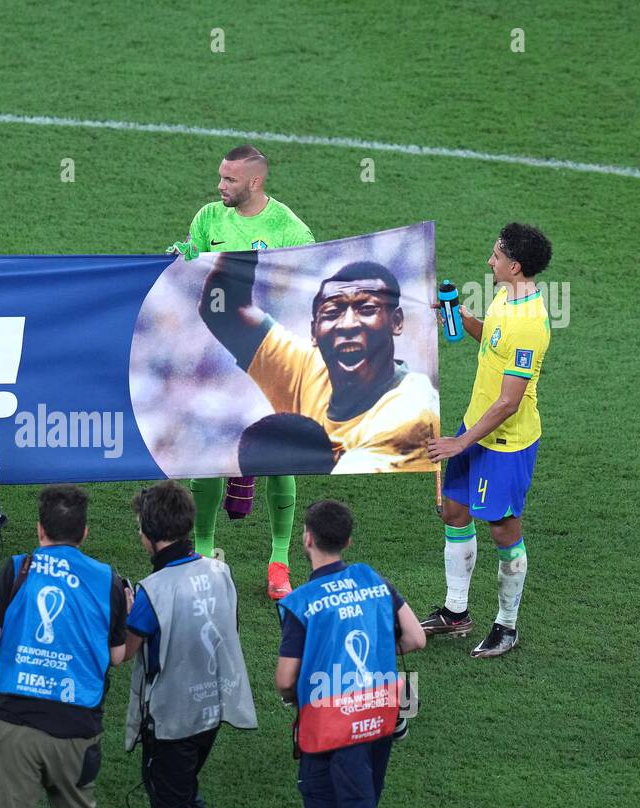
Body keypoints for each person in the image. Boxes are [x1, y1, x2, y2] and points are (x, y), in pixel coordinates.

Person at [167, 145, 315, 600]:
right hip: (214, 354)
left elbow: (311, 287)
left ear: (255, 182)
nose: (220, 186)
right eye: (220, 177)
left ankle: (279, 562)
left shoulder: (289, 230)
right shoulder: (209, 218)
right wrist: (181, 256)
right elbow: (194, 268)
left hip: (270, 355)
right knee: (210, 451)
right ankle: (206, 551)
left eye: (229, 180)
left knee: (278, 457)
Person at [0, 484, 131, 808]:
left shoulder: (18, 568)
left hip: (15, 724)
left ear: (40, 529)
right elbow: (117, 656)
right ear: (85, 532)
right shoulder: (107, 579)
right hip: (78, 728)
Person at [422, 223, 553, 658]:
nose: (489, 260)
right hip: (475, 426)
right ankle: (456, 612)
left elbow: (510, 402)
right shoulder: (506, 296)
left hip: (505, 442)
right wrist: (459, 317)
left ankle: (507, 626)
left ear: (515, 265)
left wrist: (460, 444)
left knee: (502, 529)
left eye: (496, 255)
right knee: (455, 511)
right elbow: (492, 340)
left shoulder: (531, 324)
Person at [275, 500, 426, 808]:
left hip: (327, 728)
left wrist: (296, 693)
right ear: (349, 541)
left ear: (307, 538)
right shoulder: (373, 580)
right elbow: (417, 638)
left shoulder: (301, 602)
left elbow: (284, 680)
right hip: (377, 721)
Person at [198, 252, 440, 473]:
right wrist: (242, 235)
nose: (347, 324)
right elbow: (221, 308)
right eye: (332, 313)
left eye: (366, 309)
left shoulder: (413, 414)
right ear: (314, 332)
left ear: (396, 322)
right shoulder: (308, 369)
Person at [123, 480, 257, 808]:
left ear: (150, 535)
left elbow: (123, 653)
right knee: (185, 791)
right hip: (212, 710)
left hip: (172, 719)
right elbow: (231, 625)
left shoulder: (153, 590)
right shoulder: (221, 571)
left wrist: (124, 611)